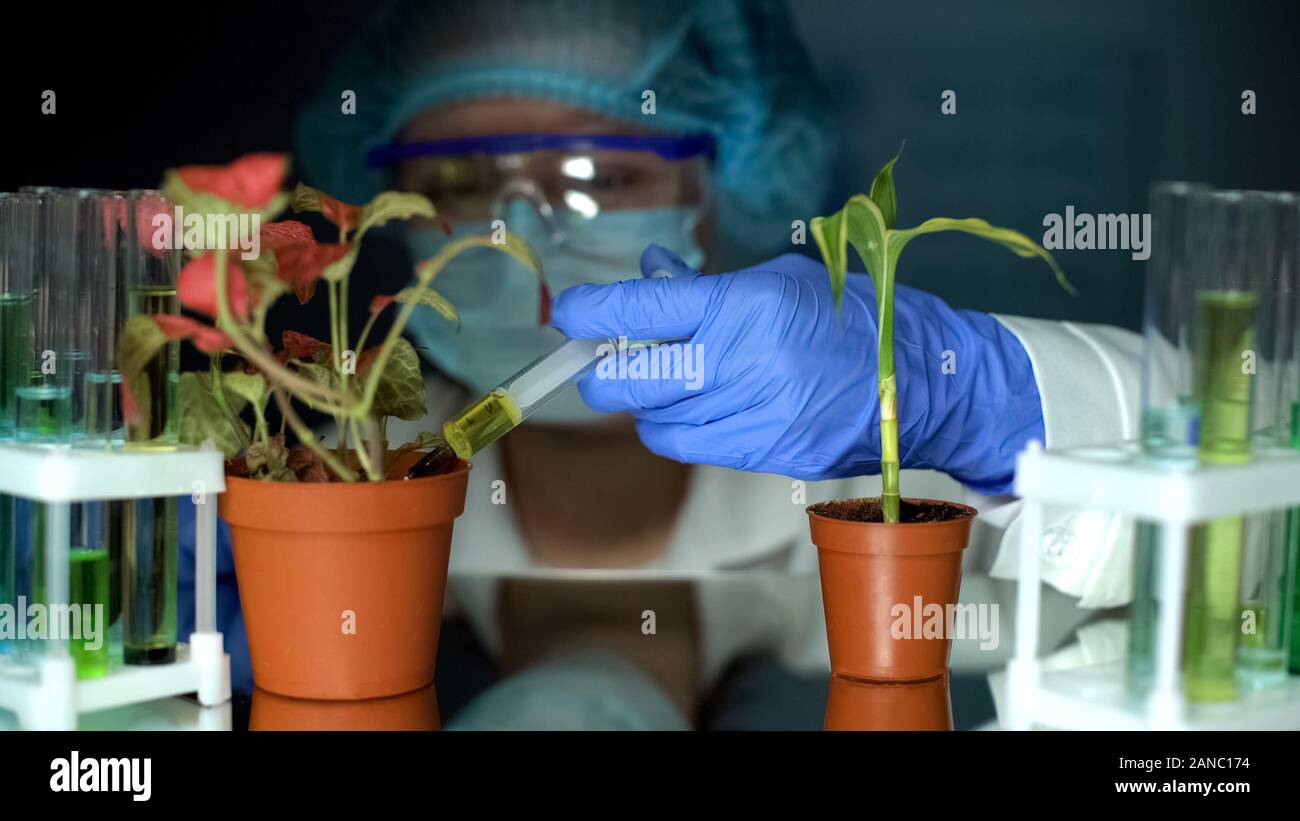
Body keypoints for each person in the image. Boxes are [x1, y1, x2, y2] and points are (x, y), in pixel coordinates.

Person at [182, 0, 1141, 729]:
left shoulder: (900, 481)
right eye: (463, 180)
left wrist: (970, 394)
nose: (523, 228)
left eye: (601, 175)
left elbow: (1250, 554)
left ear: (736, 181)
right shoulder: (334, 472)